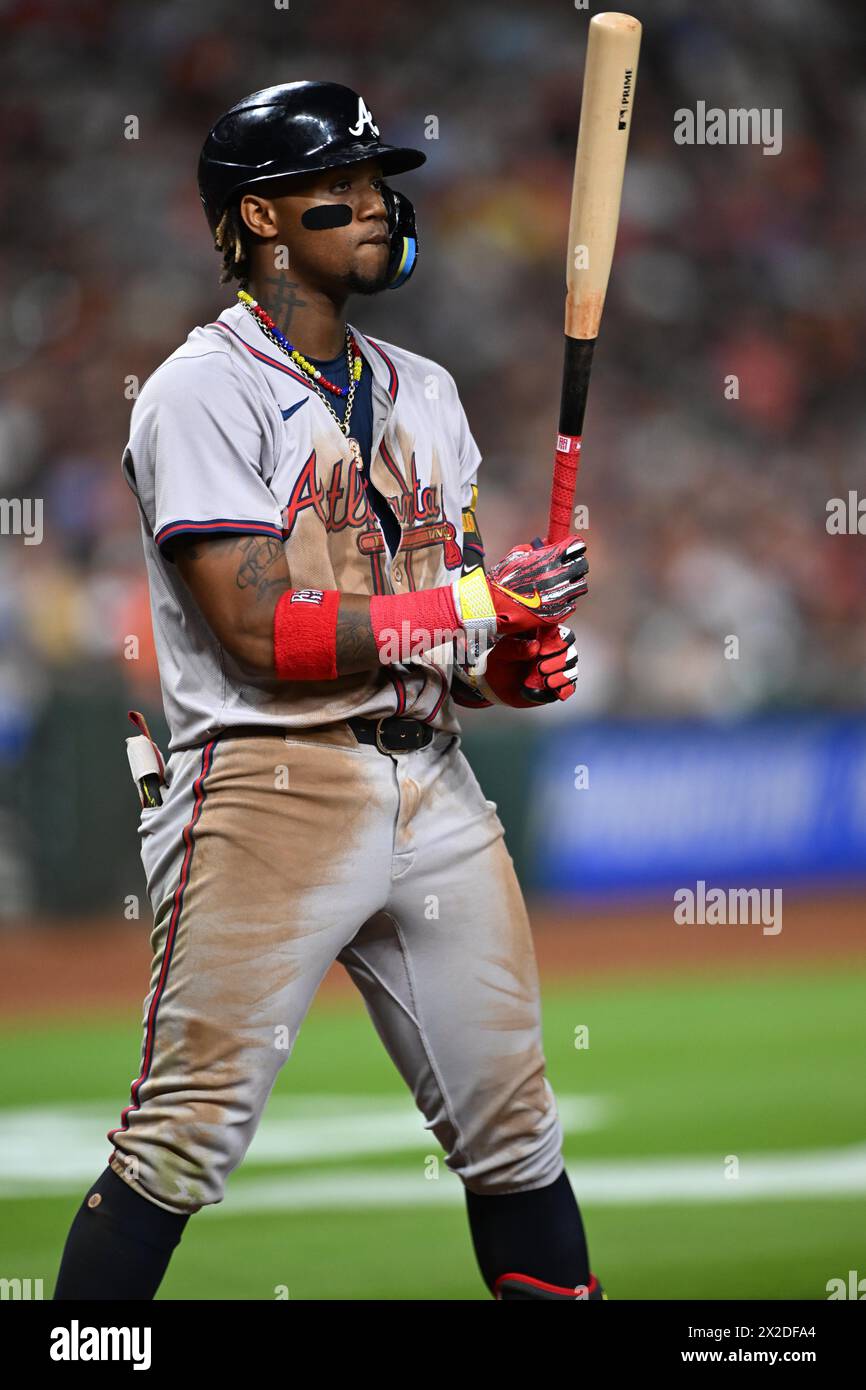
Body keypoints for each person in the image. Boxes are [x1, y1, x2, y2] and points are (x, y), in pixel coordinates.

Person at [53, 80, 601, 1302]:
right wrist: (471, 609)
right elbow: (260, 633)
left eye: (377, 180)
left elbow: (450, 631)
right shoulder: (202, 389)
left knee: (516, 1136)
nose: (375, 202)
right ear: (257, 216)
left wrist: (506, 655)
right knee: (180, 1140)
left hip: (433, 782)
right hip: (266, 783)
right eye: (339, 185)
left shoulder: (426, 391)